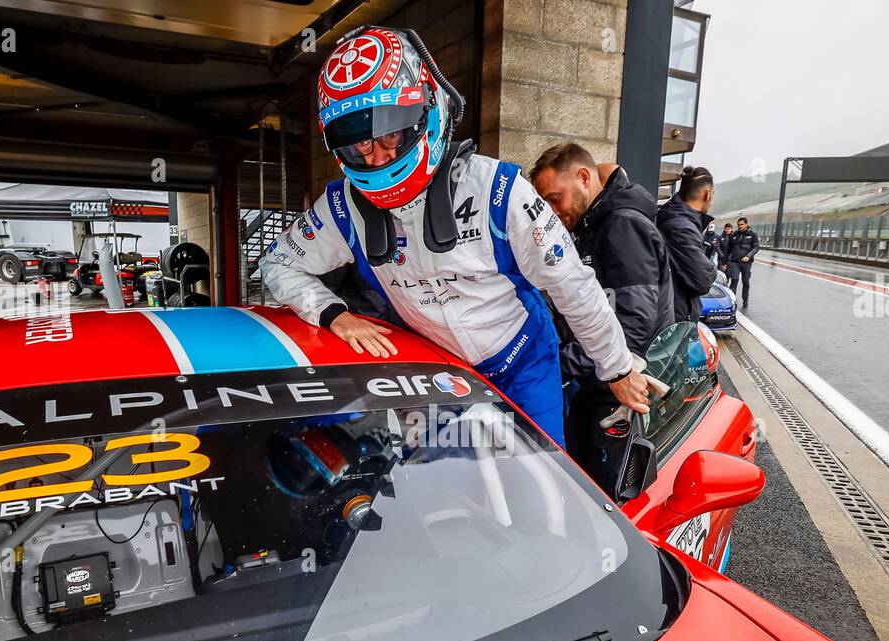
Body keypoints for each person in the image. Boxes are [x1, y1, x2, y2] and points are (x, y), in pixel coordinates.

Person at [258, 26, 650, 448]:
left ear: (425, 109)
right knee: (444, 492)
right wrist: (332, 313)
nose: (379, 157)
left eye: (389, 133)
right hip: (440, 372)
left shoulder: (498, 189)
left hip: (526, 365)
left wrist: (618, 369)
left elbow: (572, 284)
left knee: (541, 486)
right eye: (360, 145)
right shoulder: (341, 208)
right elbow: (278, 264)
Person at [529, 142, 674, 477]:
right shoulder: (588, 226)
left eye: (554, 198)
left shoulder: (621, 226)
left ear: (583, 177)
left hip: (621, 393)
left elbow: (634, 327)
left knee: (600, 499)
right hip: (598, 382)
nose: (551, 211)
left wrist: (557, 362)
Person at [656, 166, 718, 326]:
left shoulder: (675, 218)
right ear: (707, 193)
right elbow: (702, 279)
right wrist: (712, 268)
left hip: (671, 312)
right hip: (675, 322)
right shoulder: (682, 228)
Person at [725, 216, 760, 307]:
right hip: (734, 262)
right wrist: (724, 262)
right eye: (738, 225)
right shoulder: (734, 235)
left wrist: (748, 256)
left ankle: (745, 300)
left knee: (745, 281)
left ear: (746, 224)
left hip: (746, 263)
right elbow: (728, 249)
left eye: (742, 224)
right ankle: (731, 301)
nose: (740, 226)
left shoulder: (752, 235)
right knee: (734, 280)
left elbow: (756, 247)